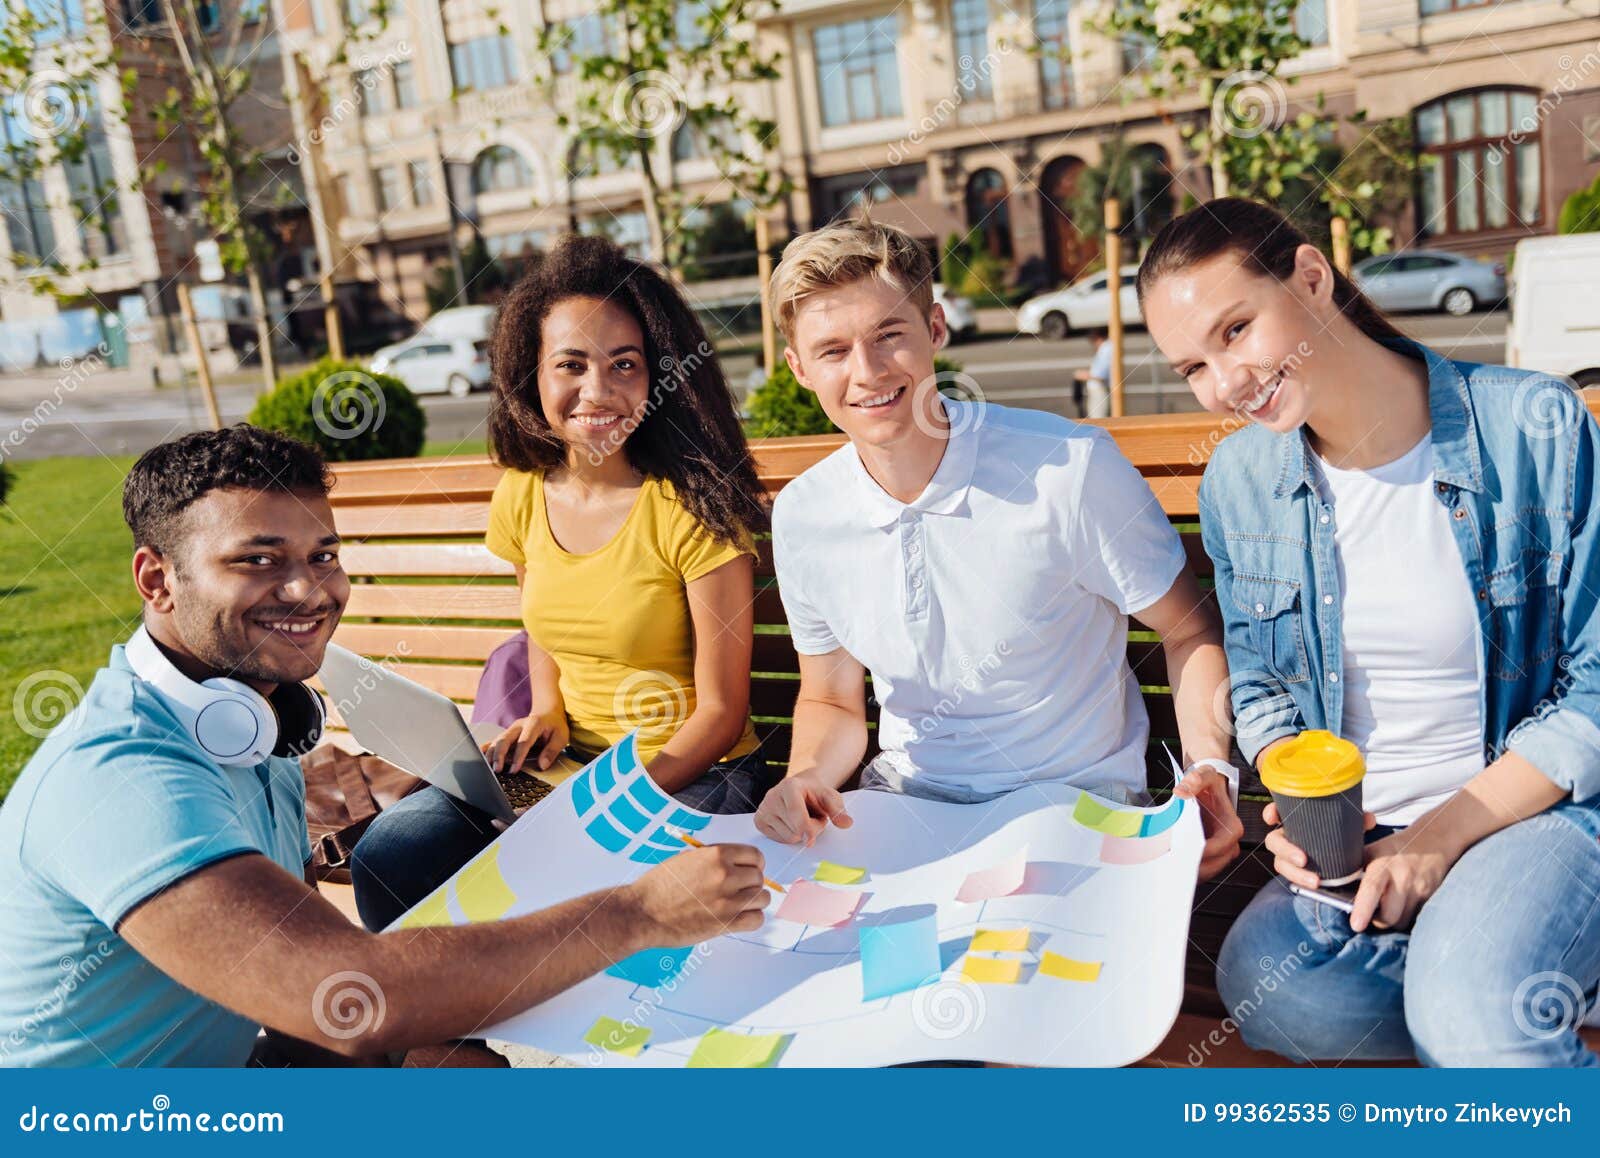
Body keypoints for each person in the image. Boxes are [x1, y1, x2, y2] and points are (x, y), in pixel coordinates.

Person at [0, 426, 769, 1067]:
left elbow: (309, 1010)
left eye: (323, 556)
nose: (309, 590)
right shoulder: (124, 779)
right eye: (258, 560)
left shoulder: (248, 723)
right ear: (157, 580)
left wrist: (423, 1061)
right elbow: (345, 996)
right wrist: (641, 913)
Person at [1139, 197, 1600, 1067]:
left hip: (1532, 814)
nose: (1227, 384)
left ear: (1311, 279)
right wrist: (1298, 801)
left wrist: (1442, 837)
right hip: (1368, 849)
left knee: (1468, 1016)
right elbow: (1266, 682)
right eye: (1193, 366)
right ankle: (1498, 998)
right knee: (1270, 981)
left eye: (1236, 330)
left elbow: (1597, 685)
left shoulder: (1530, 425)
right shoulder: (1240, 478)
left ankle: (1485, 996)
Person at [750, 218, 1244, 881]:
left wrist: (1210, 766)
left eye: (888, 336)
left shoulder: (1068, 468)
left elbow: (1190, 631)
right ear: (799, 369)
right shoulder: (806, 515)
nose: (866, 372)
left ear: (935, 330)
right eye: (833, 351)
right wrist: (805, 777)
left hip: (1076, 806)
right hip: (906, 805)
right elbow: (832, 701)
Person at [350, 235, 773, 931]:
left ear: (657, 375)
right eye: (570, 365)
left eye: (625, 365)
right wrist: (544, 710)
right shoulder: (522, 492)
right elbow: (538, 626)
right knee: (393, 853)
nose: (598, 392)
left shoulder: (696, 508)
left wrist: (608, 805)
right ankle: (441, 1039)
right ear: (532, 375)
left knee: (575, 890)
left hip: (695, 774)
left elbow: (723, 712)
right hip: (566, 767)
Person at [1073, 328, 1111, 418]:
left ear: (1098, 339)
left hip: (1100, 391)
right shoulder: (1106, 348)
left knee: (1098, 420)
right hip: (1098, 390)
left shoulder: (1106, 349)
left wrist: (1080, 375)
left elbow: (1100, 375)